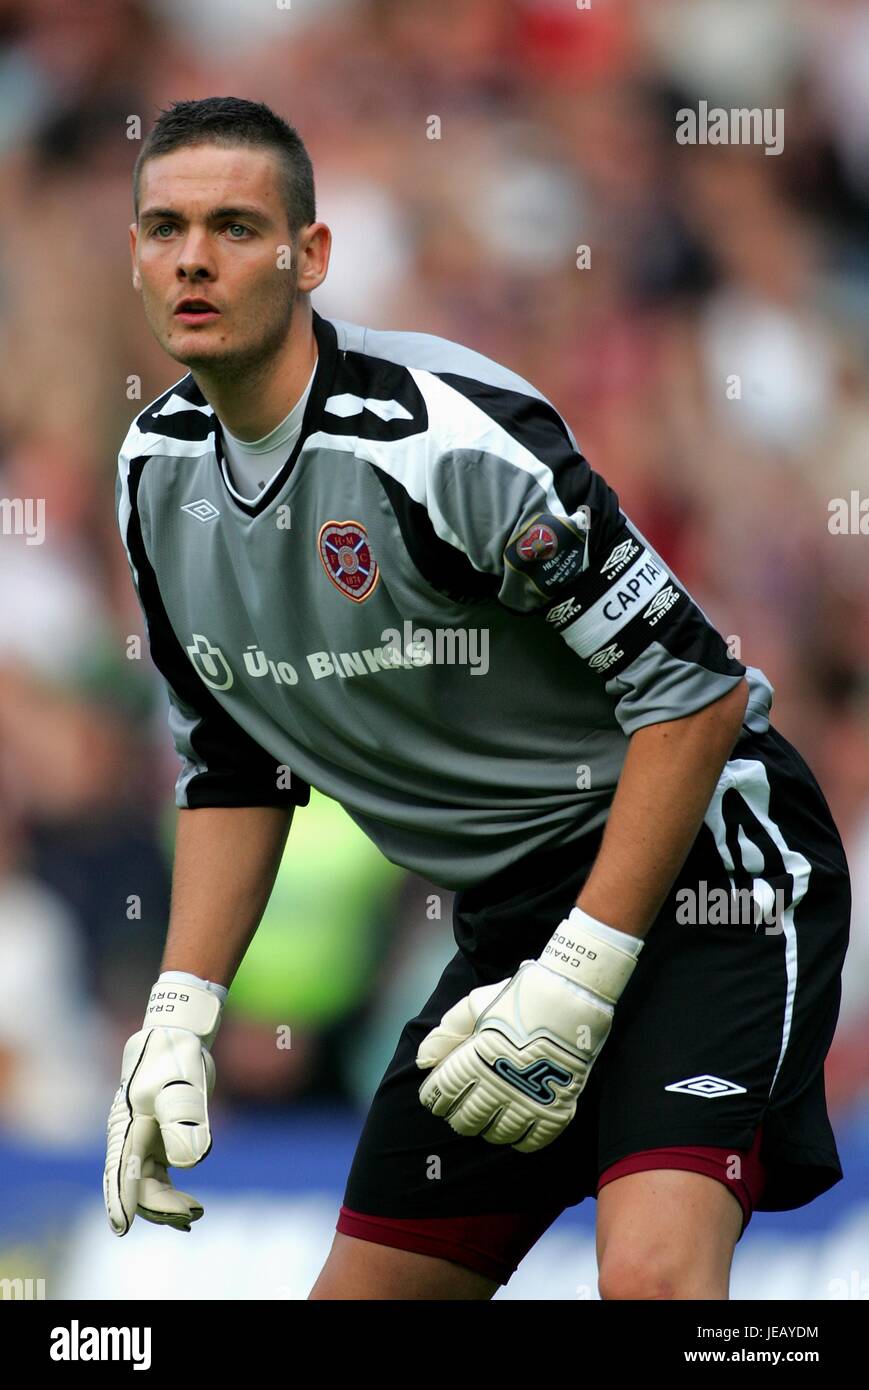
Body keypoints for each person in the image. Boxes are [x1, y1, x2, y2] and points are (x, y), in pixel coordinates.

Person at [103, 97, 851, 1301]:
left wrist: (582, 972)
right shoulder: (152, 475)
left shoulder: (441, 436)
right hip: (506, 925)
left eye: (236, 227)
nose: (193, 257)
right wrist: (179, 1013)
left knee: (653, 1285)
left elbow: (697, 694)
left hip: (702, 877)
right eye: (164, 227)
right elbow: (237, 767)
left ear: (311, 256)